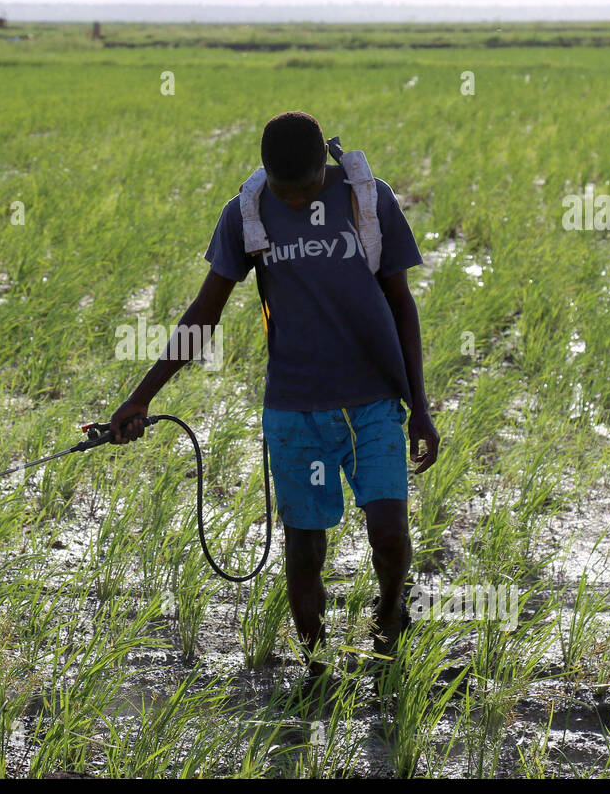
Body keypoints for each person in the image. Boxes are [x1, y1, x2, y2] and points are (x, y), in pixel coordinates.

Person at [108, 110, 439, 689]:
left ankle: (390, 615)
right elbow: (204, 315)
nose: (292, 200)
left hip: (374, 402)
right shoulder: (247, 213)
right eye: (282, 191)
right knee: (305, 546)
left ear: (324, 170)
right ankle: (317, 667)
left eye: (305, 189)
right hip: (296, 410)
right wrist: (140, 398)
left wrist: (421, 405)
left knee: (389, 535)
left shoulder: (368, 199)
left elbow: (401, 304)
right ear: (264, 175)